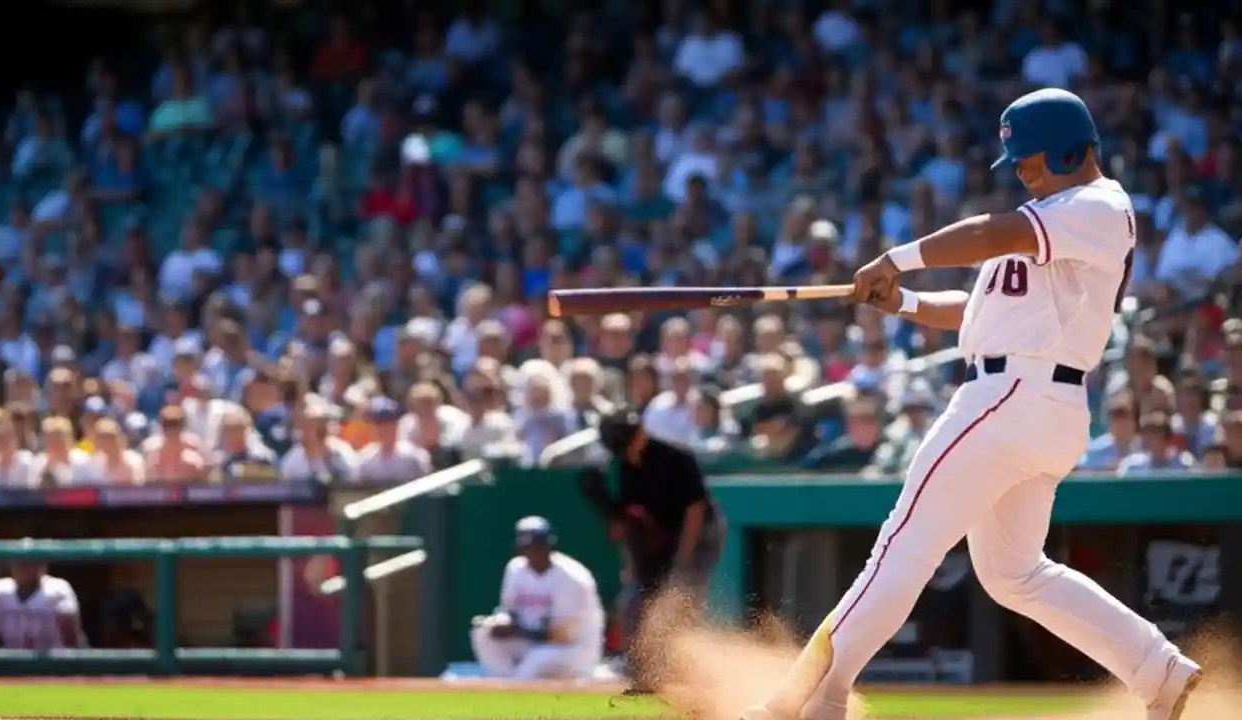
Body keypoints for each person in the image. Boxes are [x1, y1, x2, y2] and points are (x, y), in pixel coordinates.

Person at [742, 89, 1200, 720]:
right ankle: (1160, 671)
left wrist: (894, 260)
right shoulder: (1054, 220)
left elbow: (991, 233)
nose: (1021, 172)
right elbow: (979, 311)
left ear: (1072, 146)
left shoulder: (1096, 204)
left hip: (1010, 398)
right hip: (1037, 404)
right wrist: (898, 300)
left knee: (901, 547)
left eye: (1030, 159)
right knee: (1014, 573)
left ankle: (797, 702)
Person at [579, 407, 724, 692]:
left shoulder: (676, 458)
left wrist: (683, 561)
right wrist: (633, 564)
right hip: (658, 539)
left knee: (678, 601)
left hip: (698, 535)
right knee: (634, 604)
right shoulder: (625, 467)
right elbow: (630, 522)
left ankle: (690, 677)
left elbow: (694, 511)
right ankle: (645, 677)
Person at [469, 516, 605, 680]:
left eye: (539, 545)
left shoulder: (572, 577)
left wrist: (517, 630)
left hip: (574, 649)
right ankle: (504, 682)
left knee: (535, 661)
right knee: (483, 634)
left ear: (549, 545)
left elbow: (560, 635)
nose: (534, 551)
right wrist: (501, 621)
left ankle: (515, 689)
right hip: (534, 641)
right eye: (528, 546)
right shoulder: (515, 568)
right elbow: (510, 611)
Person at [0, 551, 83, 651]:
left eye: (28, 563)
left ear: (42, 567)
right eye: (19, 563)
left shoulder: (58, 589)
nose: (22, 568)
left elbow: (71, 636)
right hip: (13, 660)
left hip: (54, 660)